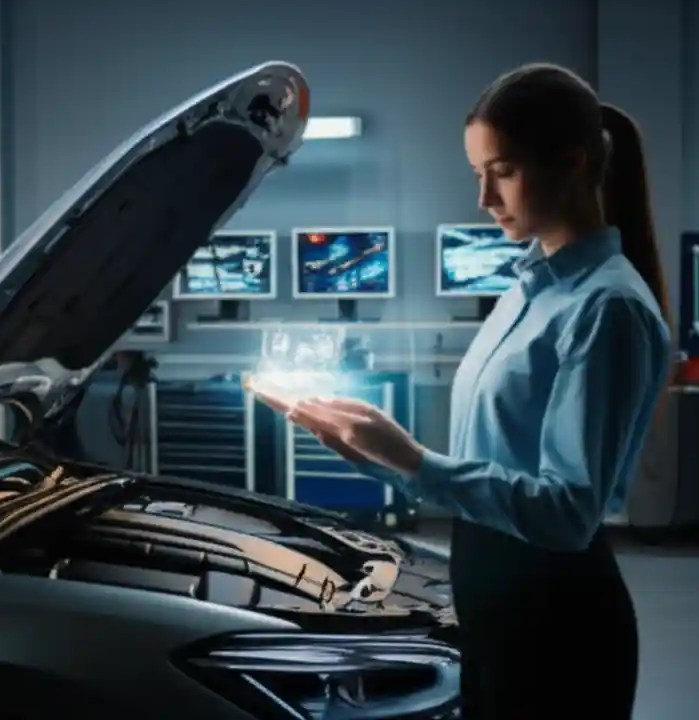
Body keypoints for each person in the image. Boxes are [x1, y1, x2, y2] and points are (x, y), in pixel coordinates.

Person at [253, 62, 673, 718]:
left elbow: (566, 513)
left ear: (573, 163)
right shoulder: (524, 289)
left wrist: (410, 460)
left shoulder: (605, 308)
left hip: (555, 614)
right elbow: (493, 460)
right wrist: (369, 447)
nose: (484, 199)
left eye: (501, 172)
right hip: (495, 592)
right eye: (478, 174)